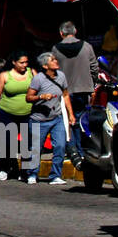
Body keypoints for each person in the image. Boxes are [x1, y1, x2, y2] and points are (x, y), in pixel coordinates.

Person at [50, 22, 97, 170]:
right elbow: (94, 67)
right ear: (75, 31)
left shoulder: (56, 49)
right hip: (83, 89)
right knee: (81, 119)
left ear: (61, 33)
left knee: (67, 121)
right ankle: (81, 150)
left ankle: (72, 150)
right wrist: (91, 81)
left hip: (64, 91)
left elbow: (52, 70)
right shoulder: (87, 47)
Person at [25, 52, 72, 186]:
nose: (56, 61)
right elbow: (28, 97)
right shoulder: (38, 79)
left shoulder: (61, 76)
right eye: (52, 60)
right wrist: (41, 97)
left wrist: (71, 114)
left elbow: (66, 95)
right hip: (38, 120)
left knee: (60, 145)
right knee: (36, 148)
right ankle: (32, 173)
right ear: (45, 66)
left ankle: (55, 175)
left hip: (56, 118)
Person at [0, 53, 33, 181]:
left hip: (27, 114)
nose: (25, 65)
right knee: (6, 143)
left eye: (26, 62)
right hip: (6, 114)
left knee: (26, 144)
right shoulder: (4, 76)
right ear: (14, 62)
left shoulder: (32, 73)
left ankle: (25, 171)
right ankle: (3, 168)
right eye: (22, 62)